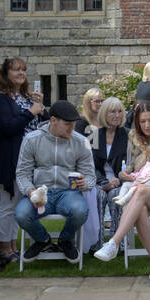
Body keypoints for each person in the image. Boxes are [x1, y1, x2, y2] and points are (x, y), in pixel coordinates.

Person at [93, 101, 150, 281]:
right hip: (141, 194)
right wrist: (124, 174)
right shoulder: (134, 139)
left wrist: (149, 183)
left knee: (140, 192)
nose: (147, 125)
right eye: (143, 122)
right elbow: (128, 169)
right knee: (140, 209)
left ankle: (113, 243)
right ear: (137, 122)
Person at [13, 100, 95, 264]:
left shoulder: (81, 141)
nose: (71, 128)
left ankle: (65, 240)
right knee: (21, 214)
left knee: (80, 211)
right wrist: (31, 192)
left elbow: (90, 175)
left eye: (73, 124)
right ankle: (43, 240)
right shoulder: (32, 139)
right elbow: (22, 173)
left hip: (68, 192)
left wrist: (84, 183)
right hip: (41, 191)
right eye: (67, 124)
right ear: (53, 121)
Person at [0, 57, 47, 263]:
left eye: (23, 69)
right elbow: (7, 126)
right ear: (6, 74)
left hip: (28, 159)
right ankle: (5, 248)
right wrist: (30, 112)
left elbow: (42, 123)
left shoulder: (25, 96)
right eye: (15, 70)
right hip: (8, 157)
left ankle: (14, 245)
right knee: (7, 203)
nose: (21, 73)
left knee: (20, 203)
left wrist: (39, 105)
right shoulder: (0, 99)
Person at [88, 96, 128, 243]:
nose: (117, 115)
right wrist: (104, 181)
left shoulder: (128, 135)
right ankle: (96, 242)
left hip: (121, 181)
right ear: (104, 114)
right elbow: (90, 165)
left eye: (119, 111)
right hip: (99, 180)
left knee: (115, 195)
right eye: (112, 112)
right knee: (98, 196)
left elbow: (132, 164)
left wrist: (119, 178)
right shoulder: (94, 136)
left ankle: (117, 242)